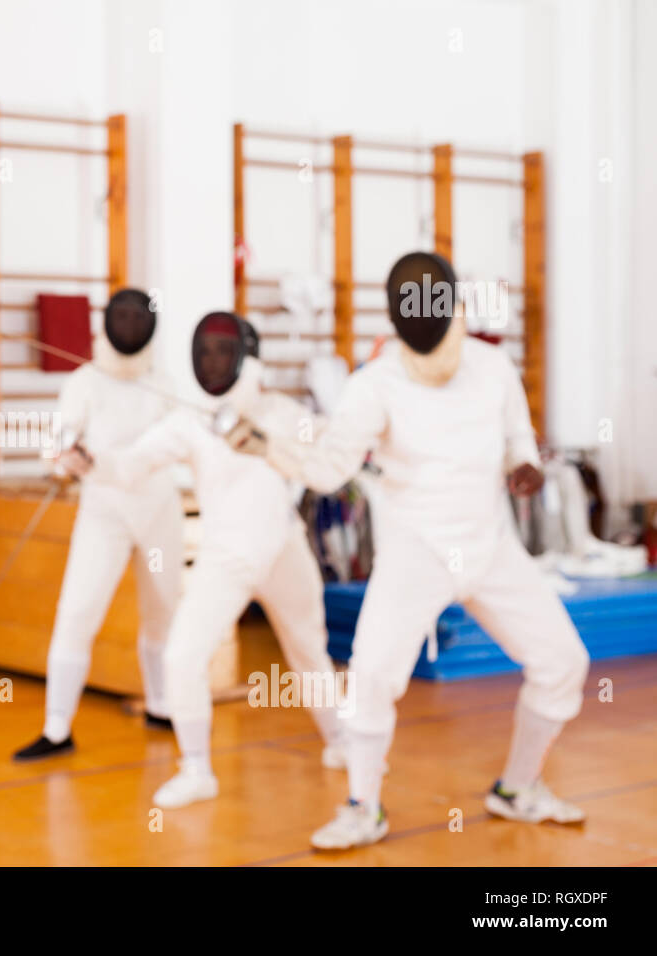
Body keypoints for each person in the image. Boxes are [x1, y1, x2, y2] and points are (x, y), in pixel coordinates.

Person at [233, 251, 590, 849]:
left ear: (455, 306)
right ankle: (363, 806)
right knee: (371, 675)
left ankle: (518, 789)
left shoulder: (492, 365)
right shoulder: (373, 385)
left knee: (564, 663)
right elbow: (326, 470)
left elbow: (516, 434)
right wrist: (269, 447)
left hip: (489, 546)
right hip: (415, 551)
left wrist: (523, 463)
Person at [114, 312, 345, 808]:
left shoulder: (281, 412)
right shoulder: (190, 421)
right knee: (181, 656)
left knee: (309, 650)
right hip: (227, 559)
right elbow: (130, 464)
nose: (214, 360)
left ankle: (341, 742)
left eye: (224, 351)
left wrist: (268, 440)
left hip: (284, 546)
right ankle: (196, 769)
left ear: (246, 358)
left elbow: (333, 446)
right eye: (207, 351)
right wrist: (86, 461)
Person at [12, 289, 184, 761]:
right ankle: (56, 728)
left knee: (163, 610)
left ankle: (163, 706)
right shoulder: (85, 381)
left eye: (137, 318)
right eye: (120, 317)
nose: (128, 326)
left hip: (158, 509)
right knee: (77, 610)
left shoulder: (165, 382)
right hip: (103, 511)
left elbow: (173, 447)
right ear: (106, 323)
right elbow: (59, 440)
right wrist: (66, 457)